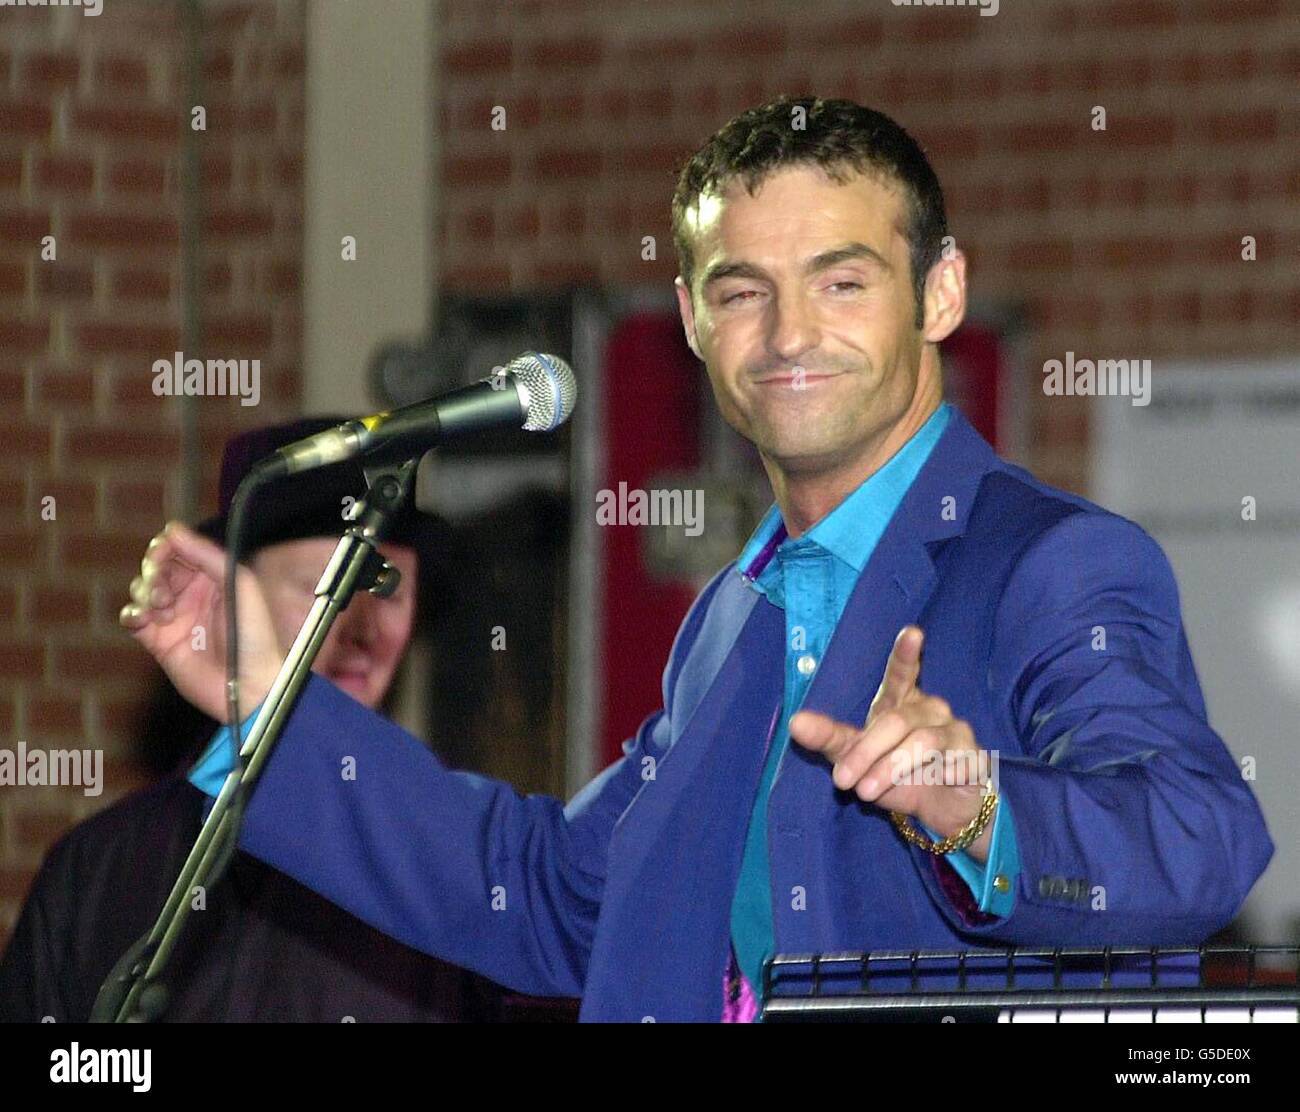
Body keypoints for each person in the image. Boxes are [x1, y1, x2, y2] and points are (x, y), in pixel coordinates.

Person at [118, 98, 1273, 1022]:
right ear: (688, 317)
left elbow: (1199, 841)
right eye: (741, 291)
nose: (787, 334)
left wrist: (975, 807)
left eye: (841, 281)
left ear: (940, 292)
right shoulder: (735, 614)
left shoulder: (1053, 562)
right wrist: (264, 694)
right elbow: (553, 895)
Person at [0, 418, 504, 1022]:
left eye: (389, 591)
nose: (362, 630)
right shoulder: (101, 872)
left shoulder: (446, 863)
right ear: (228, 603)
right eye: (322, 588)